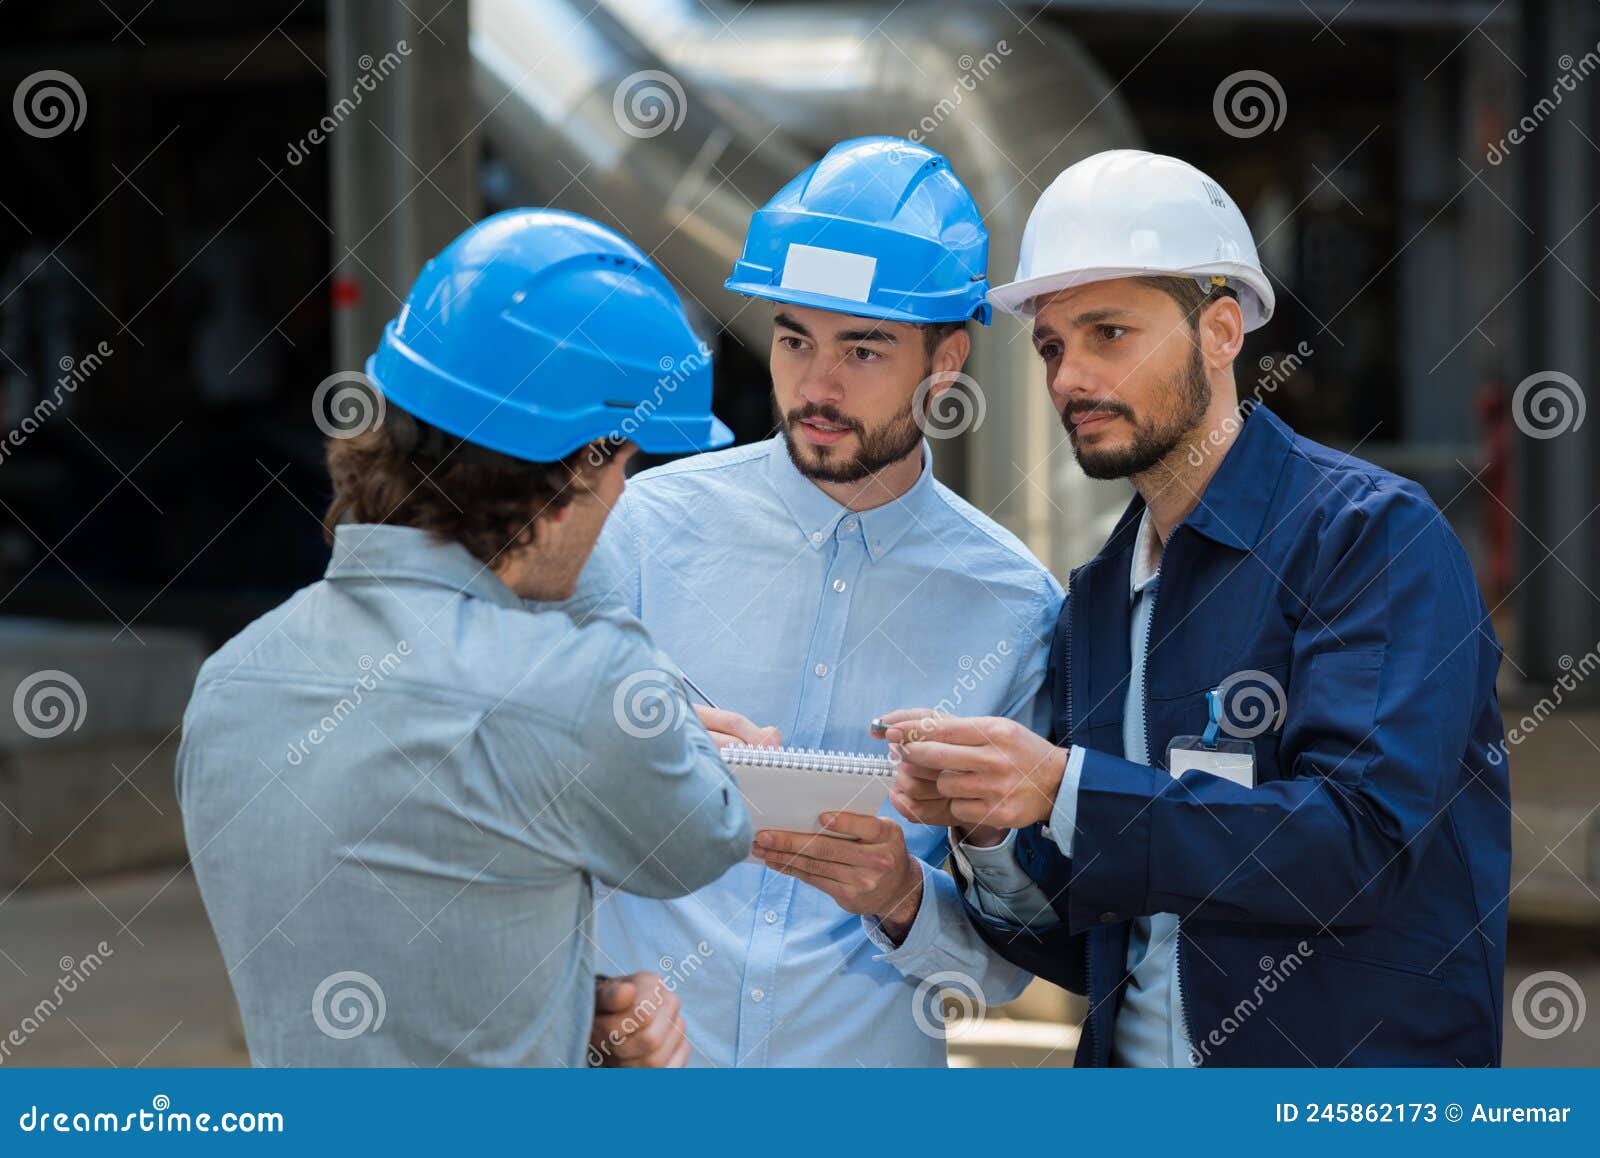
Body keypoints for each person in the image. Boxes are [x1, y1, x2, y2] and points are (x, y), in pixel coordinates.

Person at [881, 149, 1511, 1067]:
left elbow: (1355, 848)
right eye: (1053, 345)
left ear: (1222, 331)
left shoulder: (1370, 540)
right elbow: (1101, 937)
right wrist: (982, 832)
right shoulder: (1099, 597)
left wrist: (1061, 787)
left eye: (1108, 333)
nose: (1066, 378)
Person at [177, 209, 751, 1067]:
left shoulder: (231, 681)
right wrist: (637, 702)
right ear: (571, 471)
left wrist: (554, 1004)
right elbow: (711, 831)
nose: (623, 500)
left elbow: (399, 920)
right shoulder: (580, 680)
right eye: (623, 467)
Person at [568, 137, 1062, 1066]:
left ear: (945, 361)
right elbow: (512, 790)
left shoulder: (1011, 605)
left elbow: (1013, 958)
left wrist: (903, 899)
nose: (817, 385)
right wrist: (633, 758)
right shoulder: (637, 531)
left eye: (863, 349)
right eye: (795, 339)